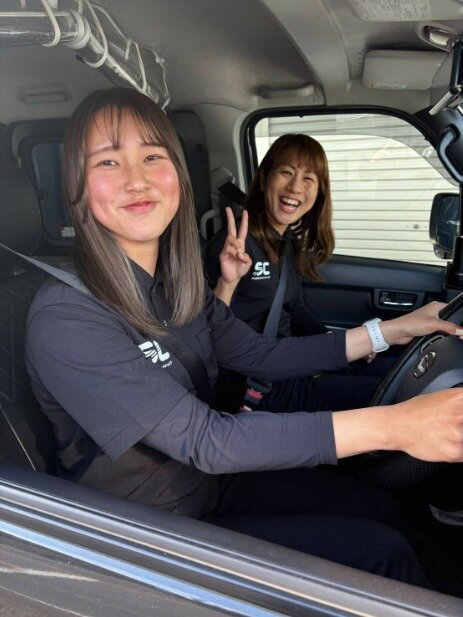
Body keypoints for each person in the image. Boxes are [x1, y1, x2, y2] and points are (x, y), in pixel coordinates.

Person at [25, 87, 463, 589]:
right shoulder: (67, 316)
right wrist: (394, 426)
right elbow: (205, 440)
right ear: (77, 187)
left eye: (152, 156)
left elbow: (263, 354)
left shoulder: (178, 284)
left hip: (210, 482)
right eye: (107, 161)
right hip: (152, 528)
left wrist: (392, 330)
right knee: (383, 555)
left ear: (178, 176)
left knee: (382, 508)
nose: (137, 179)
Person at [205, 135, 392, 412]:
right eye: (286, 172)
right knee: (390, 394)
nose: (295, 187)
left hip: (288, 363)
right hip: (256, 383)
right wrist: (226, 283)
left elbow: (295, 308)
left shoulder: (286, 243)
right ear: (264, 179)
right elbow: (206, 328)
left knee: (395, 373)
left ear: (318, 193)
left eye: (308, 179)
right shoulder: (233, 248)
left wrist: (336, 341)